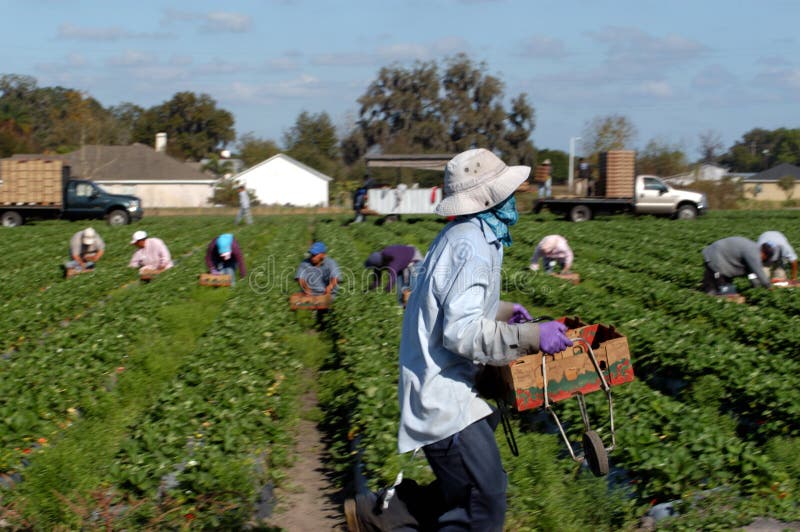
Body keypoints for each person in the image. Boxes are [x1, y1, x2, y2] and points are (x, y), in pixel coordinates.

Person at [344, 148, 573, 531]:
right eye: (507, 191)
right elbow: (461, 332)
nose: (514, 197)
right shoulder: (472, 245)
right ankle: (384, 513)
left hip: (448, 384)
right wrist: (531, 335)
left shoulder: (469, 234)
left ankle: (386, 512)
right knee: (484, 501)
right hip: (444, 393)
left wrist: (503, 310)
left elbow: (451, 304)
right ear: (489, 198)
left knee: (468, 491)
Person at [701, 236, 772, 295]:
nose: (762, 261)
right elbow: (758, 271)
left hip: (723, 259)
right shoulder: (753, 253)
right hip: (717, 255)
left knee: (725, 285)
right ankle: (712, 294)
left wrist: (756, 285)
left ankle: (715, 292)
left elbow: (750, 273)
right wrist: (768, 286)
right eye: (765, 259)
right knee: (717, 279)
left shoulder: (754, 249)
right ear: (764, 254)